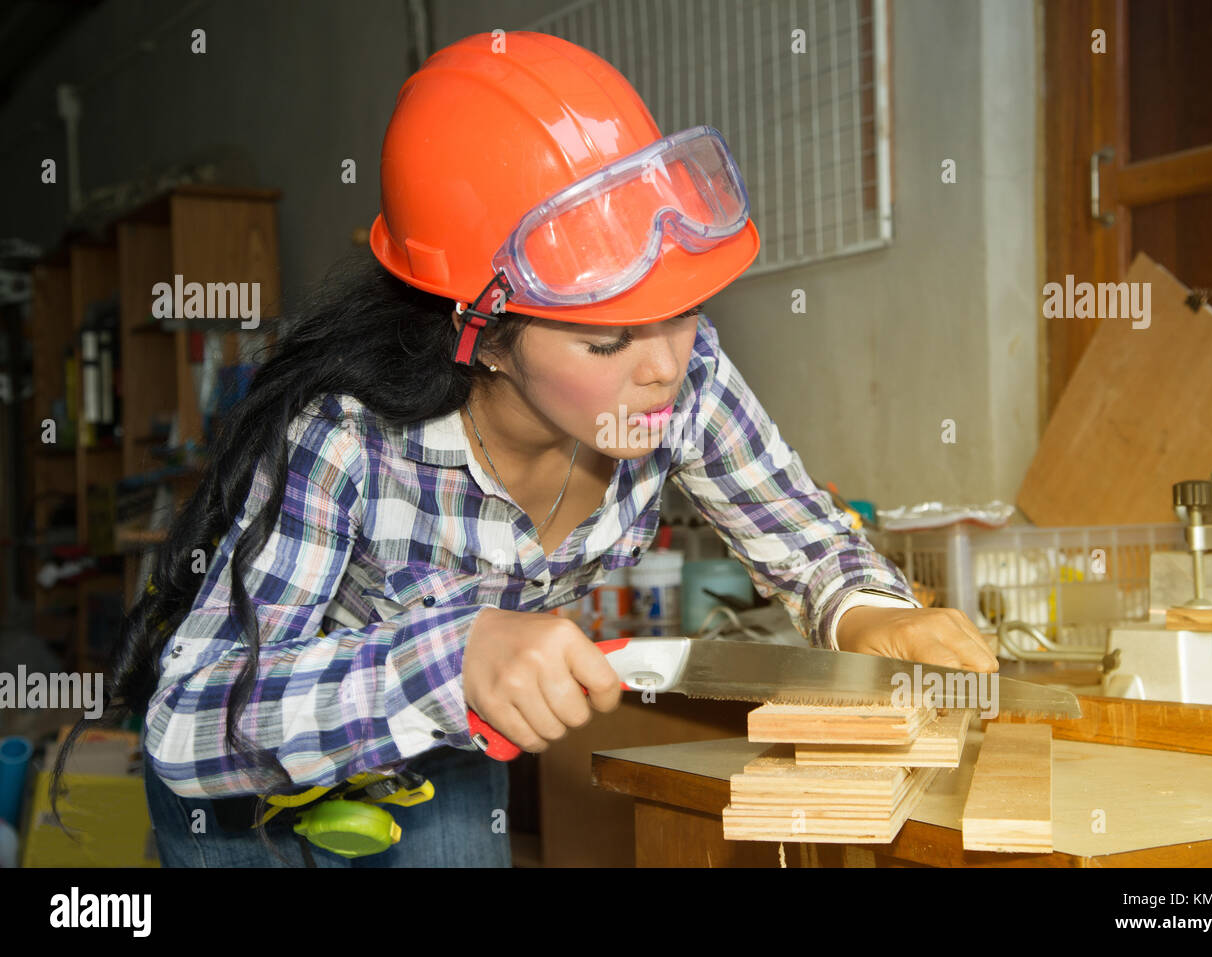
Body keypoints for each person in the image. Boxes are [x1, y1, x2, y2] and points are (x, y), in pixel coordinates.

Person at [50, 30, 995, 868]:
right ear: (483, 338)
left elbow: (806, 539)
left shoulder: (678, 371)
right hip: (248, 784)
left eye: (680, 311)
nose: (666, 364)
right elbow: (190, 720)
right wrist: (454, 657)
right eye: (606, 339)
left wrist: (874, 616)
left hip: (429, 752)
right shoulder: (346, 435)